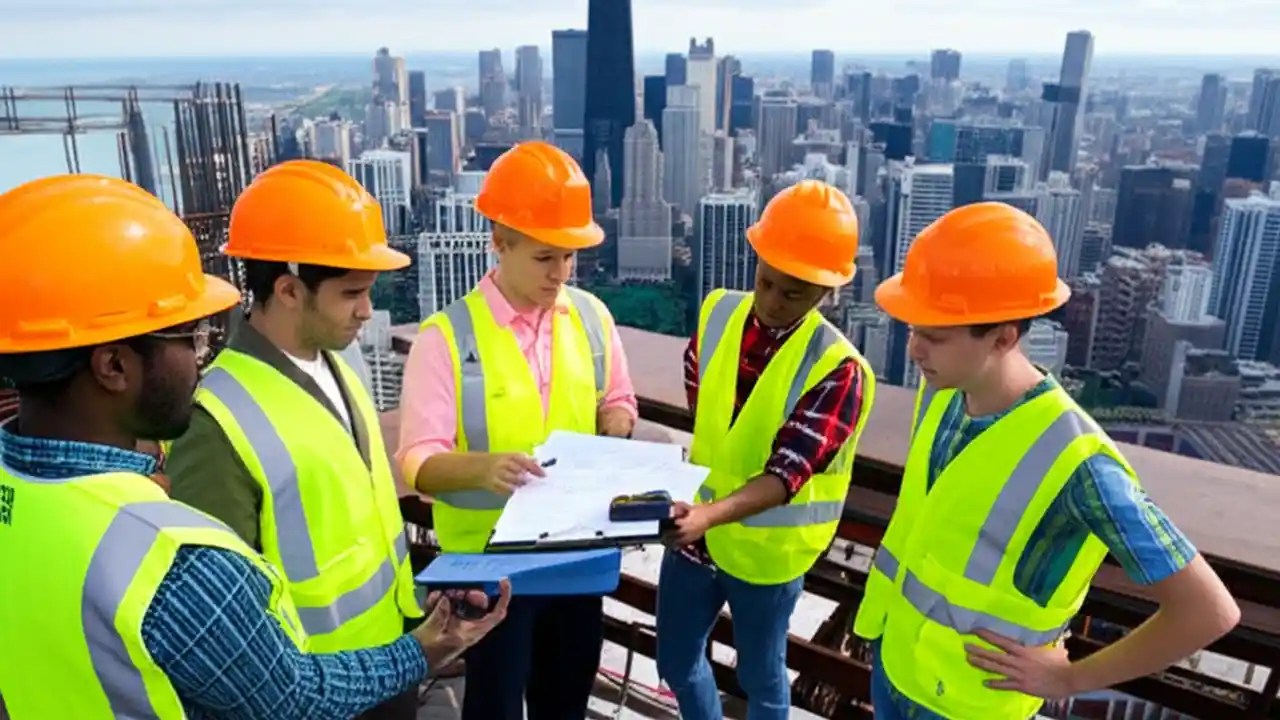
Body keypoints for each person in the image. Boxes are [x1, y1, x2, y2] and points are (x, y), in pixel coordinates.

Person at [0, 173, 510, 719]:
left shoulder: (23, 495)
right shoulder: (172, 551)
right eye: (187, 336)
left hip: (383, 659)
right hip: (335, 690)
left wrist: (414, 625)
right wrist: (424, 650)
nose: (198, 358)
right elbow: (283, 695)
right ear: (114, 365)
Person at [854, 201, 1241, 720]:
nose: (913, 349)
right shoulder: (945, 394)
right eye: (912, 329)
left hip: (970, 706)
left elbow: (1209, 611)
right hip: (897, 667)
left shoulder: (1078, 460)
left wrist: (1071, 677)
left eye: (934, 336)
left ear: (1004, 336)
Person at [161, 159, 426, 719]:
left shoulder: (338, 365)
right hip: (313, 693)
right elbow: (222, 627)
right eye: (351, 293)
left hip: (389, 659)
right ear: (287, 289)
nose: (367, 310)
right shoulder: (214, 423)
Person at [398, 139, 639, 720]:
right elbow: (417, 460)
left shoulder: (591, 317)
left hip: (575, 557)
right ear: (499, 244)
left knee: (565, 702)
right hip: (488, 568)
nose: (561, 274)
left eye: (569, 258)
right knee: (496, 707)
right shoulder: (446, 339)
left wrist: (616, 425)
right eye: (544, 257)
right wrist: (487, 468)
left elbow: (619, 399)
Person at [655, 179, 876, 720]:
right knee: (676, 661)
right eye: (766, 283)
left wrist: (709, 514)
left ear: (827, 291)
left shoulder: (838, 368)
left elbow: (788, 472)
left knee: (762, 678)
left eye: (794, 292)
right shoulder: (718, 314)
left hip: (766, 555)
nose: (774, 302)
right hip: (695, 532)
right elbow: (700, 397)